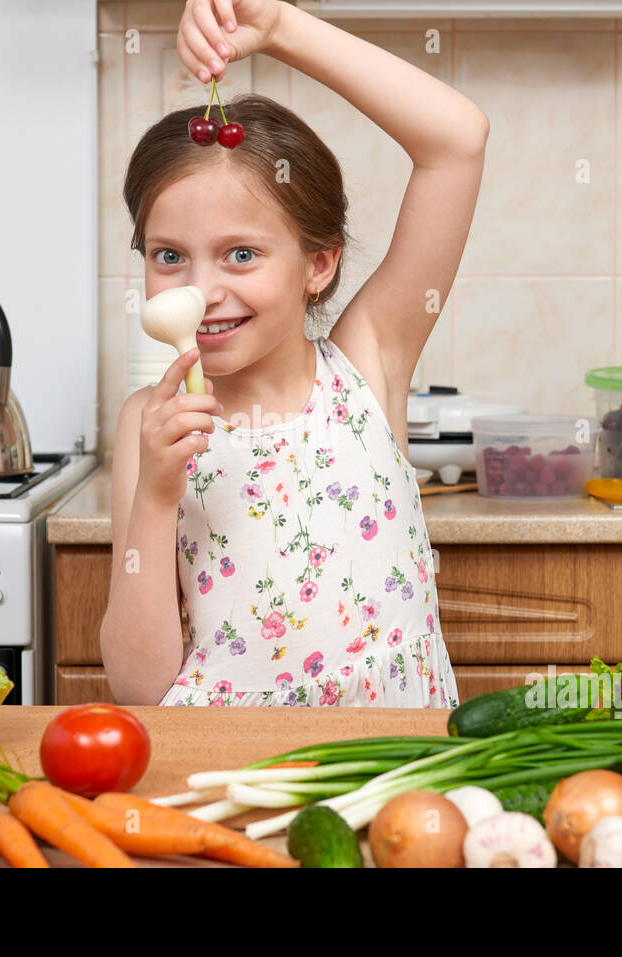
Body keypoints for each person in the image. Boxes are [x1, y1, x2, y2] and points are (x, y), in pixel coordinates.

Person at [101, 0, 488, 707]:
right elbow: (137, 686)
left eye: (240, 254)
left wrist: (279, 28)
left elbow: (458, 141)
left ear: (319, 265)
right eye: (169, 256)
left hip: (391, 765)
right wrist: (157, 496)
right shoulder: (147, 425)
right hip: (230, 769)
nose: (202, 290)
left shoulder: (370, 363)